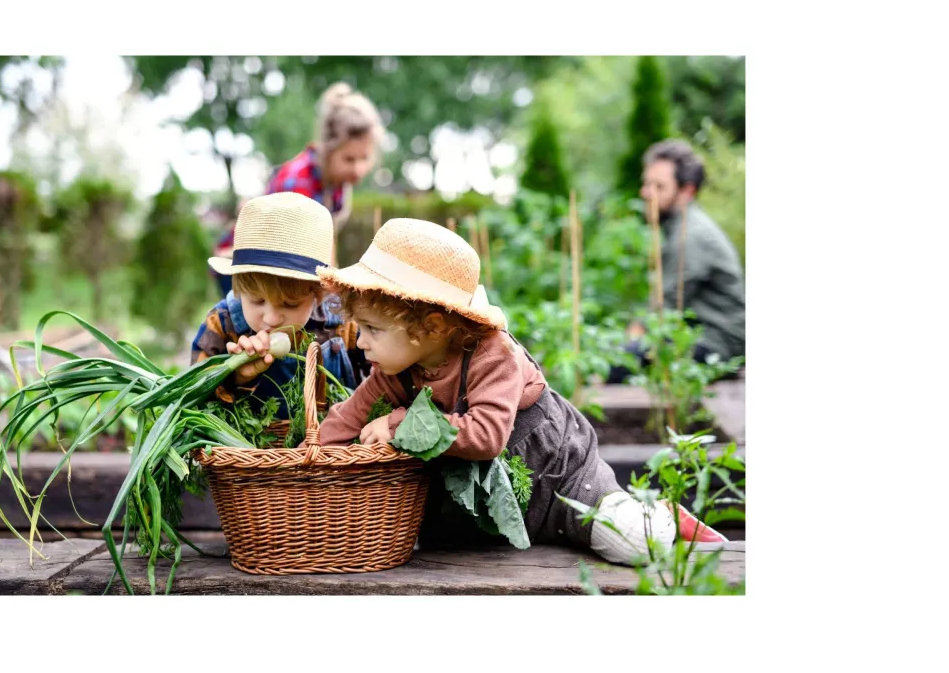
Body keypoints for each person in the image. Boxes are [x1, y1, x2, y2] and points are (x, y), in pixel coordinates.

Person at [291, 217, 724, 566]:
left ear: (431, 328)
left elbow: (486, 435)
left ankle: (659, 517)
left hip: (558, 478)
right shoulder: (392, 366)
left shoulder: (491, 354)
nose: (360, 341)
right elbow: (346, 418)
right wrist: (297, 466)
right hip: (483, 508)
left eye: (371, 330)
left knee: (632, 542)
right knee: (442, 556)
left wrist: (399, 422)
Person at [192, 192, 369, 422]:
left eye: (290, 304)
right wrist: (236, 375)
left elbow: (387, 378)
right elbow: (195, 399)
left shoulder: (344, 321)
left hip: (335, 453)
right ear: (238, 289)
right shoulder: (222, 325)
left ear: (319, 294)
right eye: (257, 300)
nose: (272, 318)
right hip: (254, 456)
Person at [210, 82, 384, 297]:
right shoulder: (298, 181)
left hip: (286, 266)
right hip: (245, 266)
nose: (358, 169)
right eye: (349, 159)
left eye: (364, 158)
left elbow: (326, 241)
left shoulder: (337, 184)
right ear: (328, 150)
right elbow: (296, 250)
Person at [606, 139, 746, 384]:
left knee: (618, 364)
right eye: (646, 183)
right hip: (700, 335)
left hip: (719, 345)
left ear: (687, 191)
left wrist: (624, 349)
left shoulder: (691, 236)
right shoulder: (681, 225)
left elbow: (663, 309)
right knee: (616, 352)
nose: (646, 193)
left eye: (658, 186)